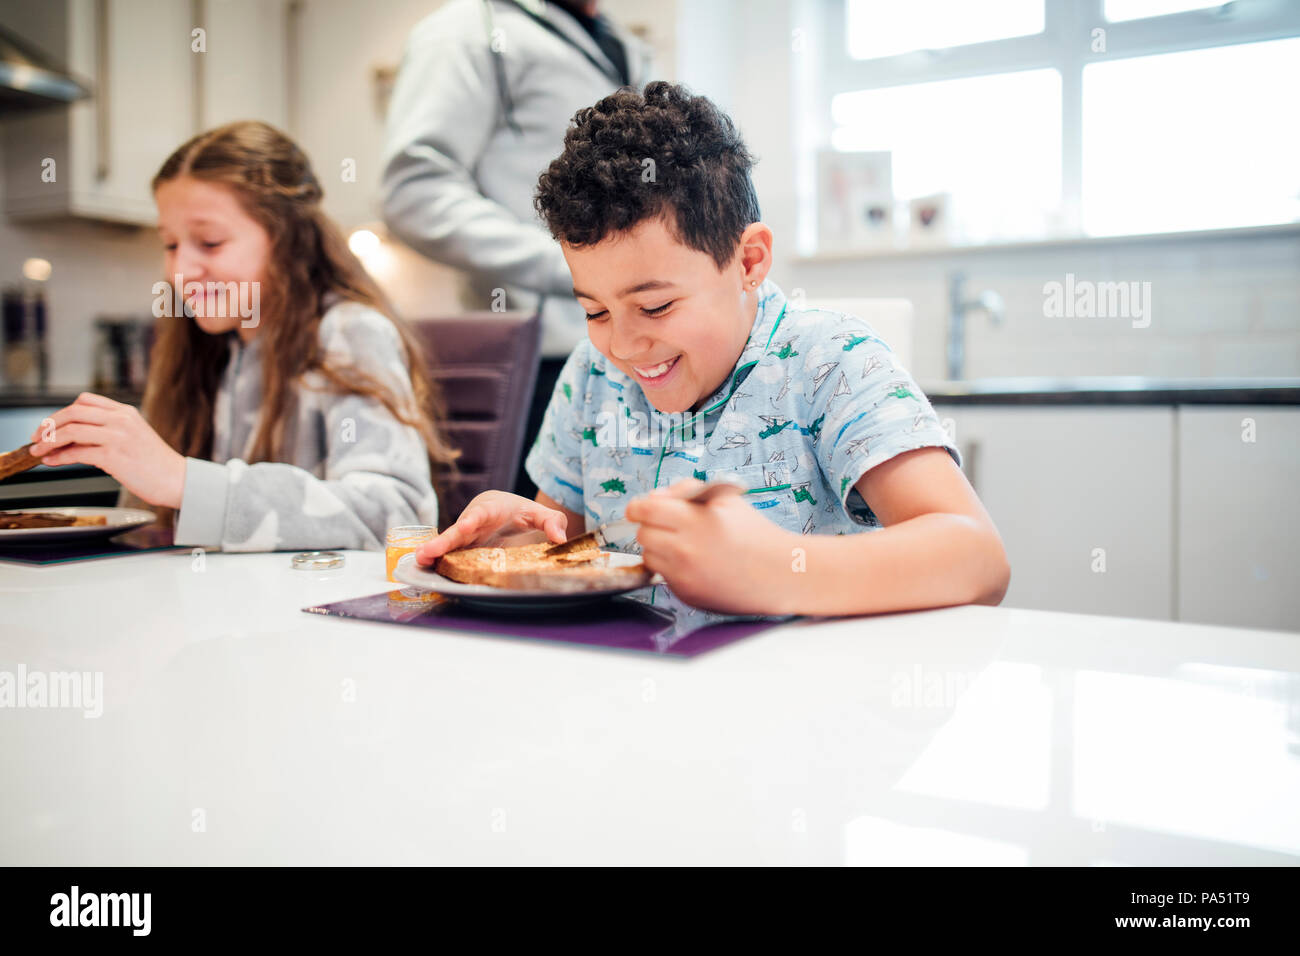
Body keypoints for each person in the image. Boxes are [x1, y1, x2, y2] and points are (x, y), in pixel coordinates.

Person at [415, 82, 1010, 616]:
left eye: (655, 307)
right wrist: (505, 544)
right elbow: (562, 547)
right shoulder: (590, 375)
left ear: (748, 261)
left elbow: (978, 557)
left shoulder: (831, 361)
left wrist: (779, 570)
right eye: (594, 310)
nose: (622, 344)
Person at [29, 121, 458, 551]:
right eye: (171, 245)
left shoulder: (349, 331)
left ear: (286, 238)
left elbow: (396, 513)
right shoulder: (208, 347)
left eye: (210, 242)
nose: (180, 272)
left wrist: (184, 481)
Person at [381, 0, 651, 498]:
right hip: (540, 360)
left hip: (630, 349)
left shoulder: (619, 42)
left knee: (622, 546)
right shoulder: (465, 32)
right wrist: (570, 266)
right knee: (544, 553)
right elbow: (413, 192)